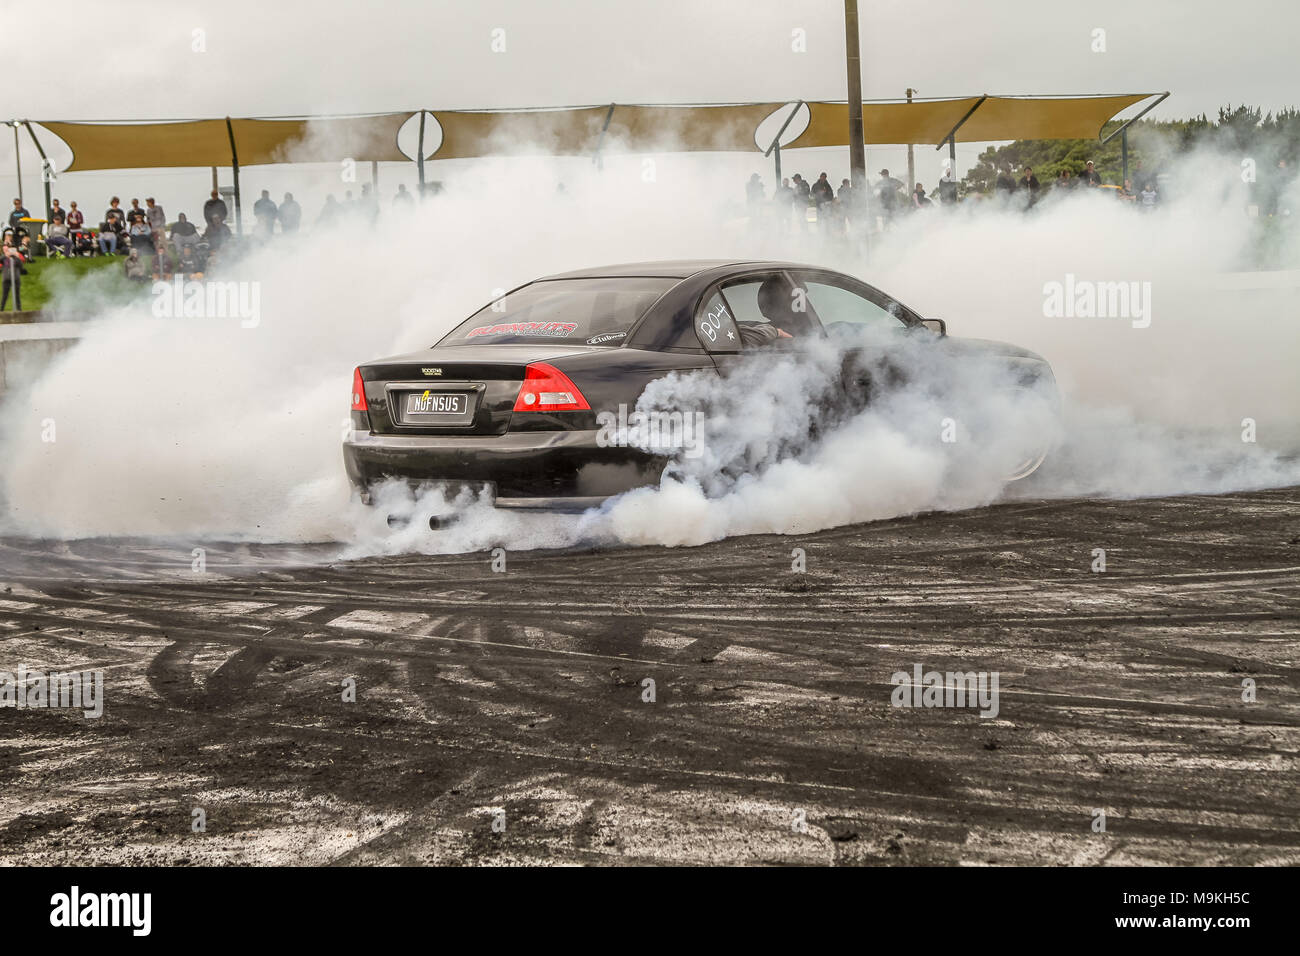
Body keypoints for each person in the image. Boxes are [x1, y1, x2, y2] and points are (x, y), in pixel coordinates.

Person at [2, 231, 25, 310]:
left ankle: (19, 310)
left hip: (16, 277)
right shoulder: (3, 257)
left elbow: (21, 265)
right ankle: (1, 310)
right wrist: (5, 255)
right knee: (4, 295)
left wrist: (16, 255)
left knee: (17, 295)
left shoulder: (16, 252)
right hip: (6, 277)